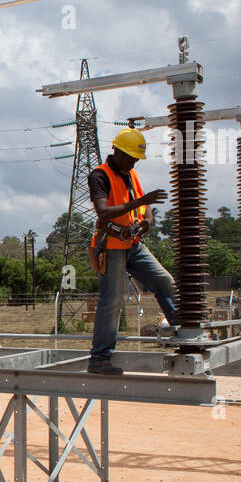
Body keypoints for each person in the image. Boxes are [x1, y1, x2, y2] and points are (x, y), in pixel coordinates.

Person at [86, 127, 178, 375]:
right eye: (129, 157)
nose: (132, 162)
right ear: (116, 151)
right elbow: (104, 212)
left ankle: (183, 335)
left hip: (133, 244)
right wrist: (140, 202)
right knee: (112, 301)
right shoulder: (99, 175)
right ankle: (99, 360)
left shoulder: (132, 174)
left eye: (135, 159)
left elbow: (145, 206)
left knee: (164, 281)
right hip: (112, 245)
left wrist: (146, 221)